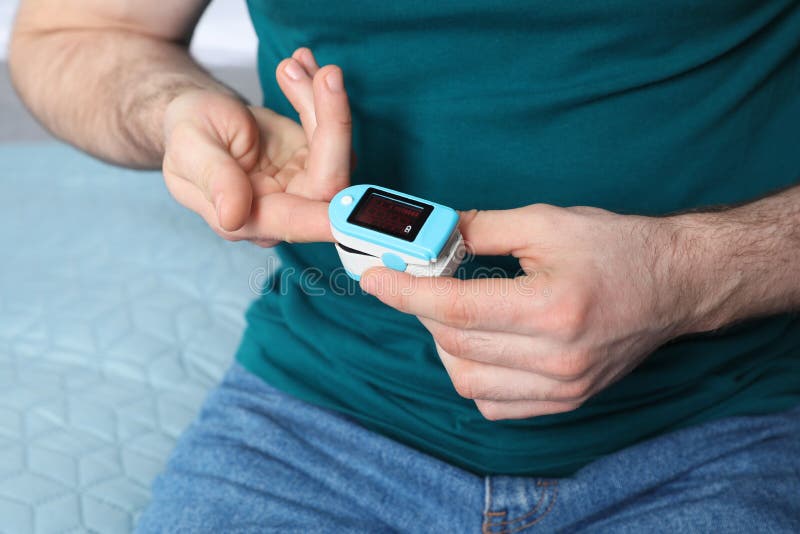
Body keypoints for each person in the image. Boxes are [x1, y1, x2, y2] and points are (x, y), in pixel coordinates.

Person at [9, 1, 800, 532]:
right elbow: (74, 32)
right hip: (316, 422)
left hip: (732, 426)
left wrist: (689, 272)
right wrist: (170, 108)